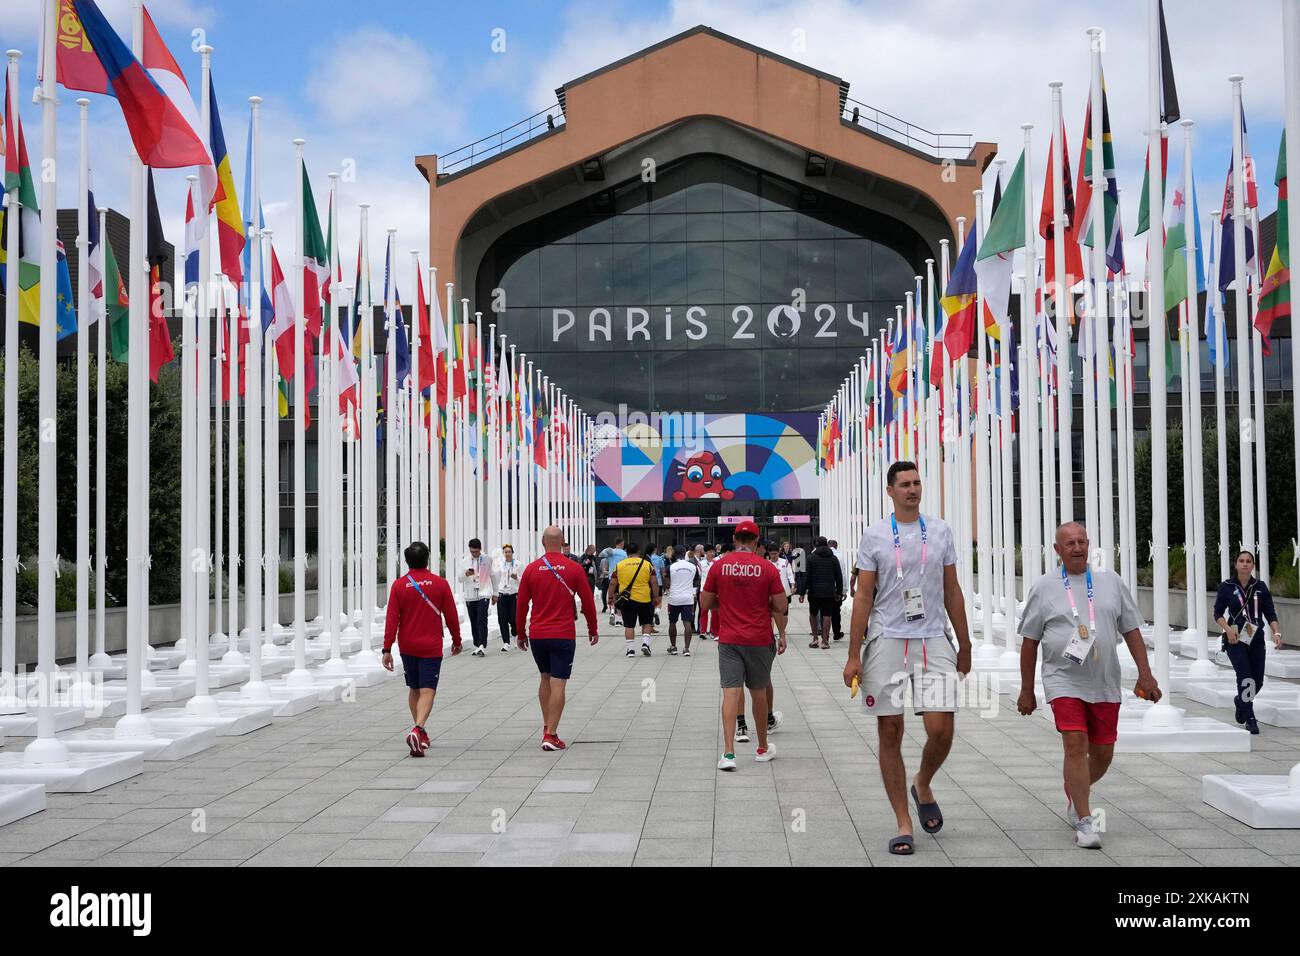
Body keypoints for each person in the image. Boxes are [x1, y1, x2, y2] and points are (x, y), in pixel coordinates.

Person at [843, 461, 971, 856]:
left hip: (933, 637)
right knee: (890, 731)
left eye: (917, 482)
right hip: (887, 639)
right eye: (905, 484)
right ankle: (903, 821)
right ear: (890, 491)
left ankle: (923, 782)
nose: (913, 489)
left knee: (941, 729)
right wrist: (853, 654)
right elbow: (863, 596)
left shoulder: (941, 530)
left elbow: (952, 590)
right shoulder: (876, 535)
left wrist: (964, 644)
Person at [1017, 522, 1162, 849]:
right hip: (1063, 679)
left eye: (1082, 541)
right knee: (1075, 742)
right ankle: (1084, 821)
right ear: (1057, 550)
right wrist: (1027, 690)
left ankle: (1075, 789)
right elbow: (1029, 643)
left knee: (1103, 753)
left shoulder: (1110, 583)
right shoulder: (1044, 587)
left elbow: (1132, 631)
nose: (1077, 547)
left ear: (1089, 545)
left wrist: (1146, 674)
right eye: (1070, 543)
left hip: (1104, 681)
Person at [701, 520, 788, 770]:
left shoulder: (719, 566)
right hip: (759, 638)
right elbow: (781, 606)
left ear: (735, 537)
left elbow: (706, 603)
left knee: (731, 692)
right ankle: (761, 748)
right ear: (757, 541)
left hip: (729, 638)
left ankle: (728, 753)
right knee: (758, 692)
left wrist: (727, 605)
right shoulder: (767, 568)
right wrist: (762, 607)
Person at [517, 525, 599, 751]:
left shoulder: (532, 569)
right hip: (562, 633)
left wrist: (520, 633)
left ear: (542, 542)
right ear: (563, 542)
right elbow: (588, 602)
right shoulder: (573, 568)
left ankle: (547, 727)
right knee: (558, 682)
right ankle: (551, 734)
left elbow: (522, 604)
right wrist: (593, 628)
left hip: (538, 634)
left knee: (545, 678)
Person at [382, 541, 462, 757]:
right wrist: (457, 639)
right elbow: (451, 615)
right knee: (428, 689)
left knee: (414, 688)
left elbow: (392, 619)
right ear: (428, 558)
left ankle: (421, 731)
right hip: (430, 645)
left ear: (406, 560)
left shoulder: (399, 585)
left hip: (407, 644)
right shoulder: (440, 583)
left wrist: (386, 648)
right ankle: (418, 728)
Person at [1213, 549, 1284, 735]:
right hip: (1235, 638)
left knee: (1257, 680)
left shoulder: (1260, 587)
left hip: (1256, 639)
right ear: (1236, 564)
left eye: (1248, 561)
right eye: (1241, 561)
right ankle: (1250, 717)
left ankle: (1241, 701)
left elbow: (1270, 613)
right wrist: (1227, 630)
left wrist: (1277, 633)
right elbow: (1218, 614)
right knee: (1245, 676)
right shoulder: (1226, 586)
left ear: (1253, 565)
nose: (1245, 564)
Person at [608, 542, 659, 657]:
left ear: (627, 553)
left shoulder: (620, 565)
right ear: (639, 552)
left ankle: (630, 650)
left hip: (627, 600)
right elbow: (654, 582)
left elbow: (612, 583)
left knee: (629, 625)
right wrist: (656, 597)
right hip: (645, 599)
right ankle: (645, 644)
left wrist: (610, 597)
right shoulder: (647, 565)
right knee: (646, 623)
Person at [805, 536, 845, 649]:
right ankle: (825, 641)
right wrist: (839, 591)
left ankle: (815, 639)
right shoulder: (833, 558)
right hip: (829, 591)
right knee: (827, 615)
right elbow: (839, 576)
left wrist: (802, 592)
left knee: (813, 614)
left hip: (814, 591)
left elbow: (807, 576)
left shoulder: (811, 558)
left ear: (816, 545)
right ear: (826, 545)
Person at [461, 537, 495, 656]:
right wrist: (466, 574)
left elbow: (493, 576)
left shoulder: (488, 559)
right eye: (472, 552)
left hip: (484, 593)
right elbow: (460, 579)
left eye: (476, 552)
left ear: (480, 549)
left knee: (482, 619)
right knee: (474, 621)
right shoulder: (465, 561)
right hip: (470, 595)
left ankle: (482, 645)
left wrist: (495, 593)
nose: (474, 554)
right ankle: (477, 645)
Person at [666, 549, 701, 656]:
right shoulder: (692, 566)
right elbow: (696, 581)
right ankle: (686, 649)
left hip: (674, 598)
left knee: (672, 622)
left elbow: (667, 583)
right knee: (687, 623)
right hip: (688, 598)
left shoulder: (670, 567)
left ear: (674, 555)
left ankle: (673, 647)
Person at [493, 544, 521, 653]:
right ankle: (506, 642)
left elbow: (524, 580)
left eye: (509, 552)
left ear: (512, 553)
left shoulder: (518, 564)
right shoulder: (499, 565)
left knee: (514, 618)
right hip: (502, 594)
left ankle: (514, 635)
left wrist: (517, 577)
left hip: (514, 594)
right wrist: (494, 593)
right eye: (505, 552)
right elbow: (495, 579)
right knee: (502, 619)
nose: (507, 554)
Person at [603, 538, 628, 625]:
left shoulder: (610, 552)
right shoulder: (624, 553)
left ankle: (612, 612)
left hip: (611, 577)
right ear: (621, 543)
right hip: (621, 577)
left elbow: (604, 558)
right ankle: (619, 620)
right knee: (620, 598)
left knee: (612, 597)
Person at [696, 546, 717, 640]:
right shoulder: (700, 564)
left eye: (714, 552)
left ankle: (714, 632)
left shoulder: (716, 563)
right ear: (706, 553)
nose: (712, 554)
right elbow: (699, 576)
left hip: (714, 591)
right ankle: (703, 631)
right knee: (703, 611)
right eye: (711, 552)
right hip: (703, 590)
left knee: (715, 612)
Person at [648, 543, 666, 630]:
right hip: (658, 583)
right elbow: (663, 572)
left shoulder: (646, 559)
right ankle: (657, 612)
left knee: (649, 604)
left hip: (648, 584)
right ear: (655, 549)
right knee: (658, 602)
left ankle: (651, 626)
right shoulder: (659, 559)